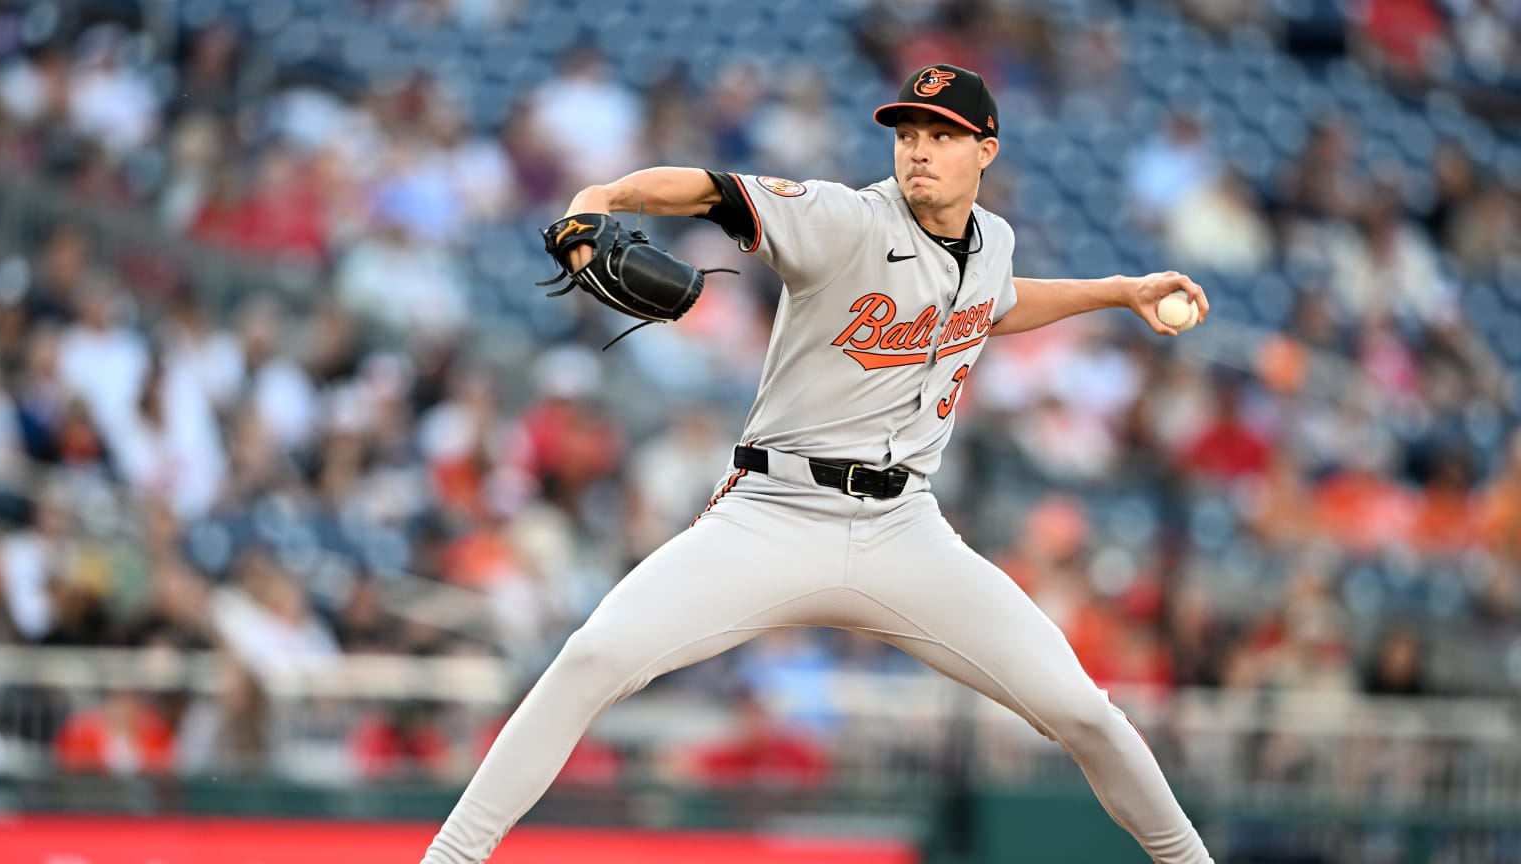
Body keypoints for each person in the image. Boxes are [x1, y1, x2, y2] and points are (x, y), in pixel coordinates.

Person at [422, 63, 1214, 863]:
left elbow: (995, 304)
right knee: (593, 658)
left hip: (905, 530)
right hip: (775, 514)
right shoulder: (844, 219)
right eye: (908, 133)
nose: (919, 150)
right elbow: (708, 190)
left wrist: (1118, 290)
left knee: (1084, 712)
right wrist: (603, 196)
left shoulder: (993, 244)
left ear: (986, 151)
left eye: (942, 136)